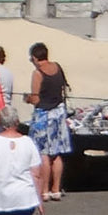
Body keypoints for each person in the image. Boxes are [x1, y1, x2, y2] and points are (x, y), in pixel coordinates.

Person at [24, 43, 72, 202]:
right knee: (56, 154)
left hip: (44, 114)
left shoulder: (38, 73)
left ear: (35, 58)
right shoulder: (57, 67)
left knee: (43, 153)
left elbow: (36, 98)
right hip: (58, 113)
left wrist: (27, 98)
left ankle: (44, 191)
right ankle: (56, 189)